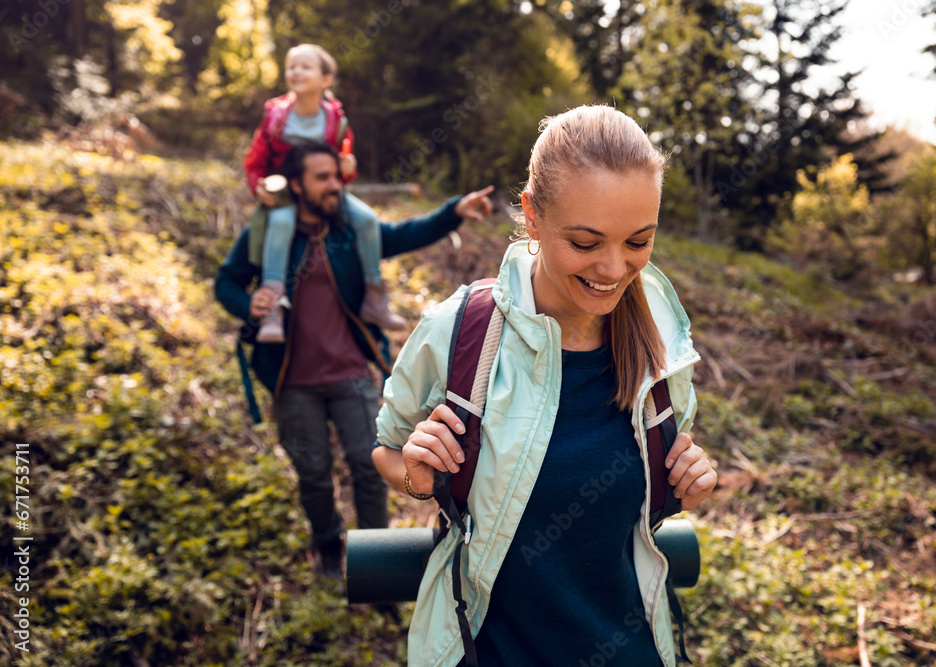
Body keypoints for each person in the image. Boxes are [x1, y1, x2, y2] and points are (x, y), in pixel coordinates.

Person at [372, 105, 717, 666]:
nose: (613, 269)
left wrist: (684, 486)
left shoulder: (663, 342)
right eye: (585, 243)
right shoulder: (459, 332)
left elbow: (635, 512)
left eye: (638, 241)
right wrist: (415, 478)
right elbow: (387, 449)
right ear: (532, 216)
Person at [217, 141, 495, 578]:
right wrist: (248, 304)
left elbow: (404, 234)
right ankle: (328, 545)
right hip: (291, 382)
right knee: (312, 474)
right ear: (296, 184)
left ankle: (375, 565)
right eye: (322, 178)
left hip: (351, 375)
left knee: (370, 469)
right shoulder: (270, 234)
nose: (335, 185)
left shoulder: (349, 234)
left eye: (336, 176)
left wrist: (453, 211)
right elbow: (226, 283)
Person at [244, 43, 406, 342]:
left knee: (368, 219)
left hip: (324, 192)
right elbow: (255, 161)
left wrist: (348, 167)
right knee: (280, 223)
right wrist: (258, 185)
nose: (296, 71)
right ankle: (272, 309)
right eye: (291, 66)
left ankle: (374, 298)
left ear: (325, 80)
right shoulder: (275, 117)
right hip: (288, 193)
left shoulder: (335, 120)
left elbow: (345, 171)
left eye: (305, 66)